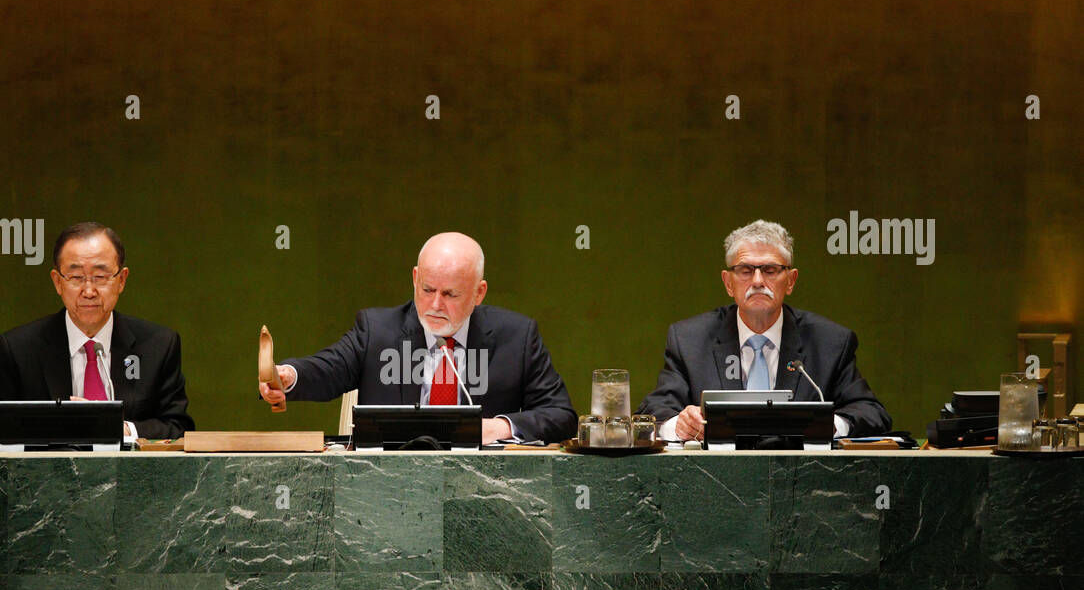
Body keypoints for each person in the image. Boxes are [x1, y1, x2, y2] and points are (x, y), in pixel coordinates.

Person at [259, 232, 577, 444]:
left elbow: (561, 416)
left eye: (451, 294)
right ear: (415, 278)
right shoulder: (377, 329)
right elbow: (329, 368)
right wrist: (286, 376)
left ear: (479, 293)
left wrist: (498, 428)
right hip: (390, 490)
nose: (436, 305)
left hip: (485, 495)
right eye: (427, 290)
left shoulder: (517, 337)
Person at [638, 219, 891, 440]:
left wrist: (830, 425)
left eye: (770, 270)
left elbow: (871, 411)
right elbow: (653, 412)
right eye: (745, 271)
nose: (758, 281)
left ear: (790, 281)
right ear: (728, 283)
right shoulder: (689, 340)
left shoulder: (830, 342)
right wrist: (678, 426)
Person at [0, 222, 194, 440]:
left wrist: (123, 430)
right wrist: (69, 428)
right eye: (76, 278)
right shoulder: (19, 350)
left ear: (121, 280)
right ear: (57, 282)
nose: (89, 291)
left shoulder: (157, 346)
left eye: (100, 277)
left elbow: (178, 427)